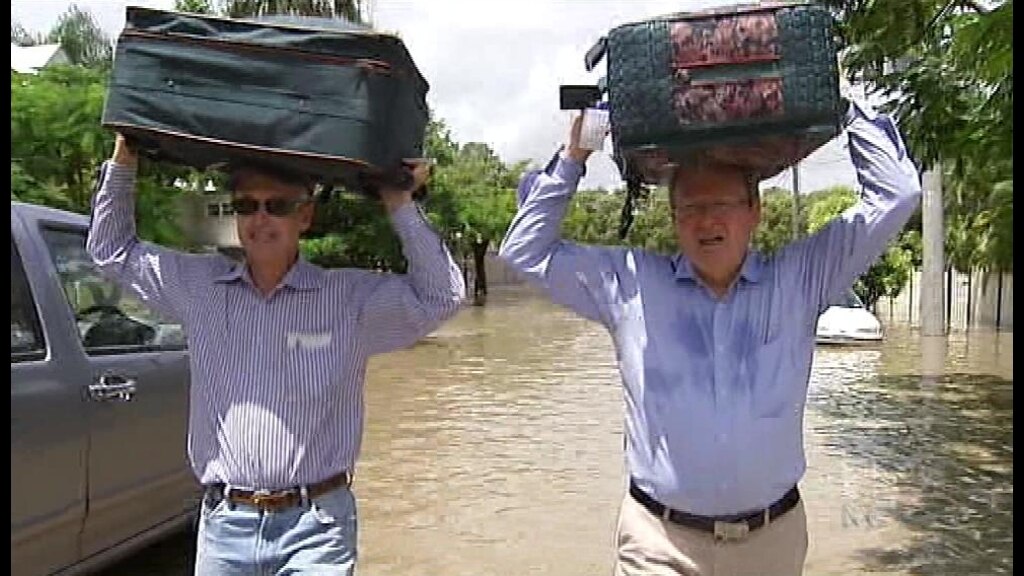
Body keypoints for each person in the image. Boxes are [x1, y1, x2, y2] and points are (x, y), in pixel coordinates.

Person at [498, 101, 921, 576]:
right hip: (659, 543)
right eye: (691, 209)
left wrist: (841, 106)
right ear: (674, 218)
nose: (706, 222)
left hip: (772, 544)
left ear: (755, 210)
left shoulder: (803, 278)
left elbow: (898, 195)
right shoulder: (629, 284)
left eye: (721, 205)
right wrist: (577, 152)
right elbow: (523, 251)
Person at [87, 134, 465, 575]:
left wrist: (398, 199)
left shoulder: (349, 300)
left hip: (317, 527)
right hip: (225, 525)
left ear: (305, 215)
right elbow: (111, 252)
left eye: (278, 206)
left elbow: (442, 296)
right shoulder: (197, 288)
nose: (260, 218)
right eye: (247, 205)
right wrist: (125, 155)